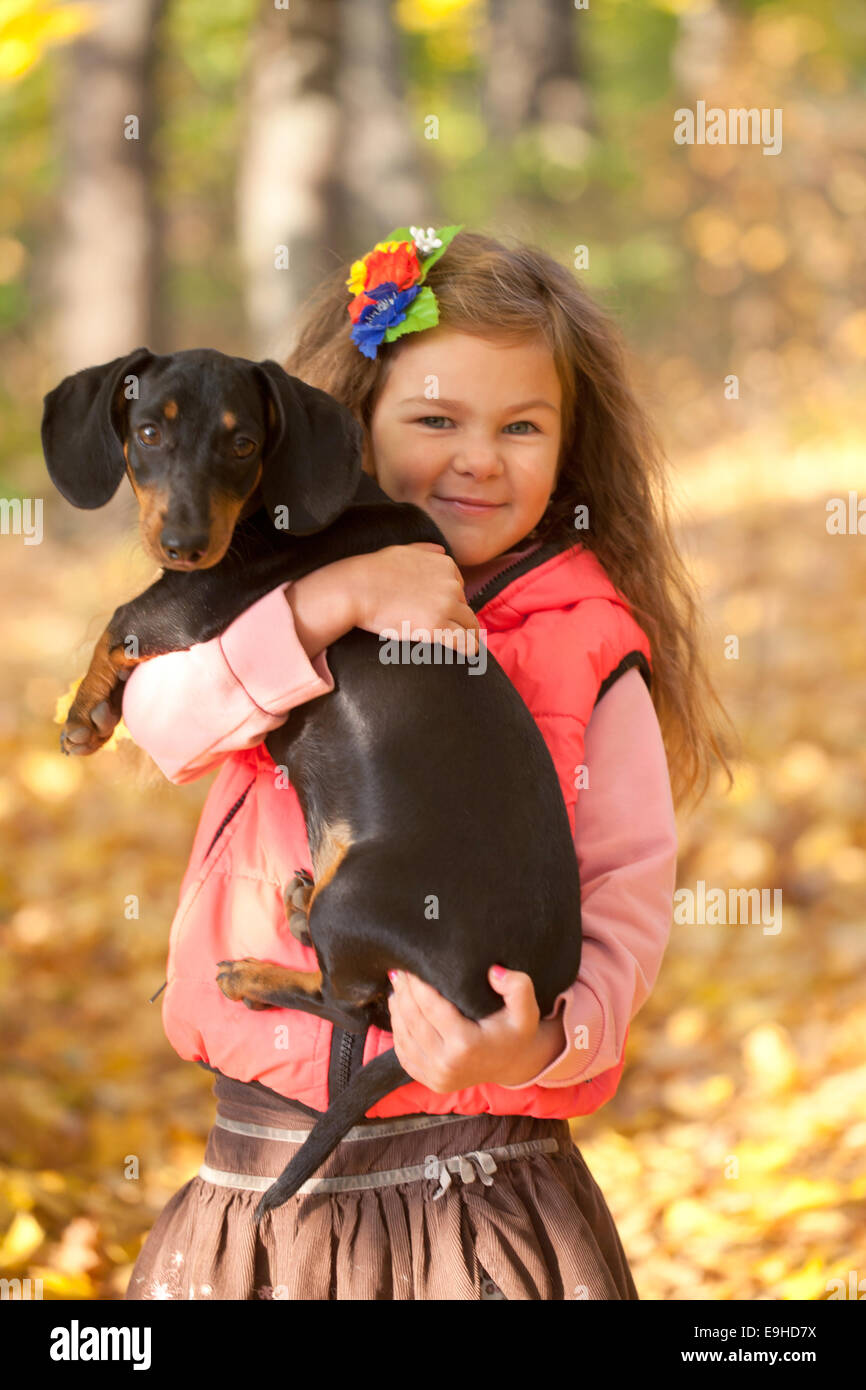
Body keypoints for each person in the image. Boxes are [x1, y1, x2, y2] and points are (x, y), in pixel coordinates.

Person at [121, 225, 731, 1301]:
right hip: (265, 1178)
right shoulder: (270, 589)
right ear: (348, 427)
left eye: (521, 426)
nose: (477, 457)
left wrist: (538, 1041)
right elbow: (162, 718)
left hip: (476, 1183)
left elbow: (625, 909)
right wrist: (329, 602)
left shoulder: (585, 641)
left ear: (569, 446)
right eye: (436, 419)